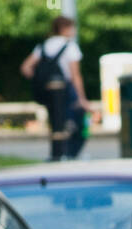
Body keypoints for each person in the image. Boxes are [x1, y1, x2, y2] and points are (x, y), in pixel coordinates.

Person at [20, 15, 92, 158]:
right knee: (77, 123)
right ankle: (70, 154)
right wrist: (82, 98)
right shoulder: (70, 46)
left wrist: (40, 81)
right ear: (64, 28)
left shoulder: (44, 46)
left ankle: (57, 154)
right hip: (66, 91)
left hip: (48, 93)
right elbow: (75, 75)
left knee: (55, 124)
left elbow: (25, 68)